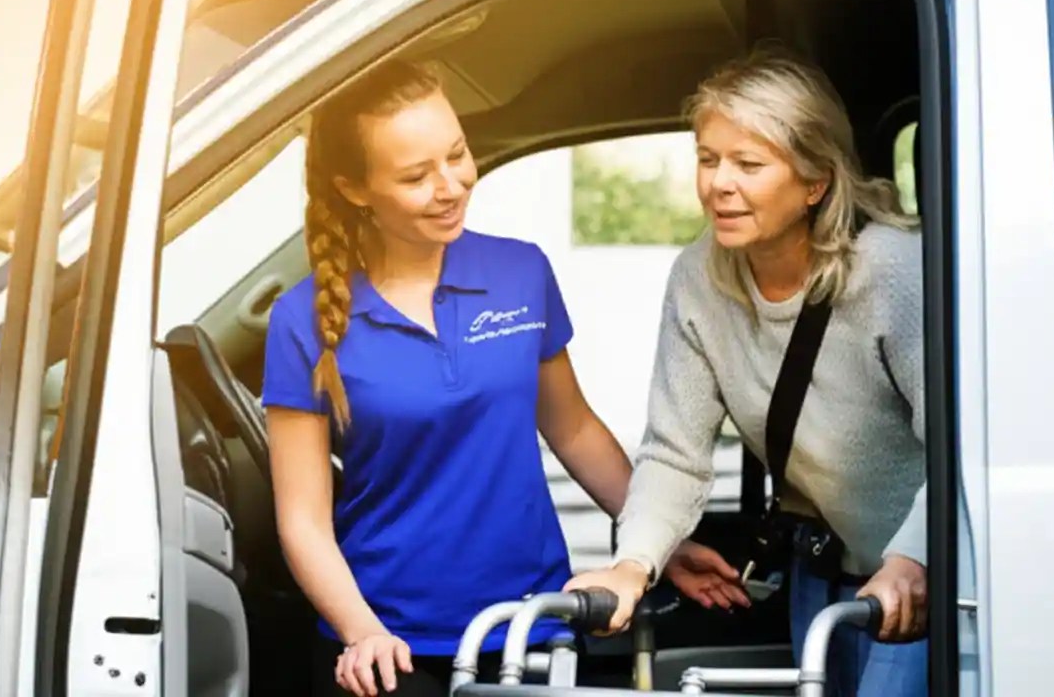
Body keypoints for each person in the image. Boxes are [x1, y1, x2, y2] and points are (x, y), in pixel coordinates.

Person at [261, 60, 742, 697]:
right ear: (355, 188)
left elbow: (573, 430)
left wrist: (655, 545)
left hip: (529, 627)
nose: (451, 184)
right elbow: (303, 521)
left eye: (456, 154)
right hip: (388, 648)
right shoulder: (302, 320)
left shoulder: (521, 273)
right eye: (415, 175)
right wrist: (361, 632)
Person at [565, 47, 929, 697]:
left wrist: (915, 559)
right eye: (708, 159)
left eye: (749, 164)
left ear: (814, 181)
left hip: (925, 575)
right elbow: (675, 454)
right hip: (825, 571)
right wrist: (633, 564)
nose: (719, 183)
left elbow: (965, 452)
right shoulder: (698, 278)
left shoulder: (893, 273)